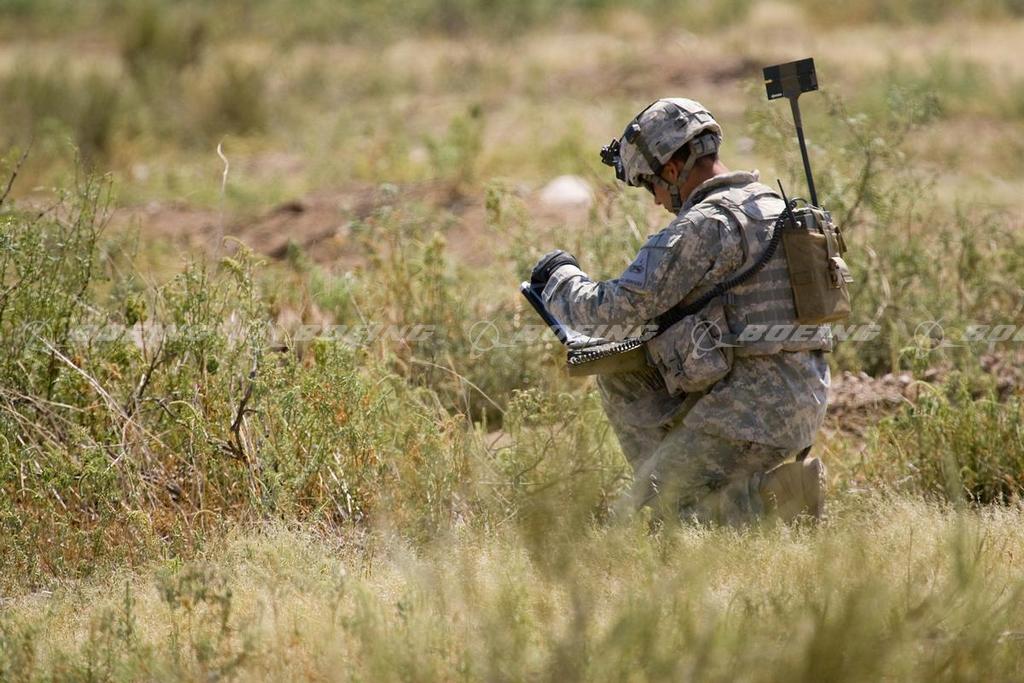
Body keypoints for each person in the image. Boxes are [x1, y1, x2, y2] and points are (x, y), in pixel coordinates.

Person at [529, 98, 831, 526]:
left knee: (640, 525)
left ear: (672, 170)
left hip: (744, 414)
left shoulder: (706, 224)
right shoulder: (777, 209)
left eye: (651, 185)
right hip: (802, 402)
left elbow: (613, 312)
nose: (656, 201)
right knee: (624, 376)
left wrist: (560, 279)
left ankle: (764, 503)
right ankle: (694, 492)